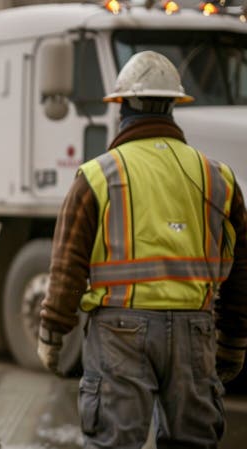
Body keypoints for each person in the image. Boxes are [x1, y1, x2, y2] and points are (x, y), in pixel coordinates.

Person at [38, 50, 247, 448]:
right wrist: (235, 338)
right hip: (195, 331)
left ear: (122, 105)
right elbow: (243, 266)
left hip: (120, 332)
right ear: (173, 106)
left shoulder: (98, 175)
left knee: (115, 442)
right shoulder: (218, 177)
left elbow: (68, 262)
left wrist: (52, 330)